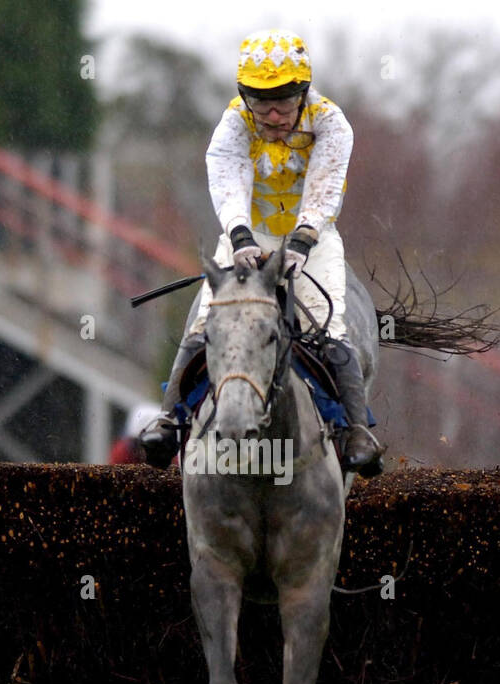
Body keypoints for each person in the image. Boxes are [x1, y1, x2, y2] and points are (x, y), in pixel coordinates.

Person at [140, 28, 381, 471]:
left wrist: (303, 241)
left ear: (304, 92)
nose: (272, 114)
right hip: (248, 234)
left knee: (329, 328)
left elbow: (324, 190)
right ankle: (169, 421)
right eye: (260, 101)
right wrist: (240, 239)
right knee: (206, 320)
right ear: (244, 96)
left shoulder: (331, 123)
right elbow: (229, 182)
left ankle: (356, 429)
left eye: (284, 101)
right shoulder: (235, 122)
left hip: (315, 236)